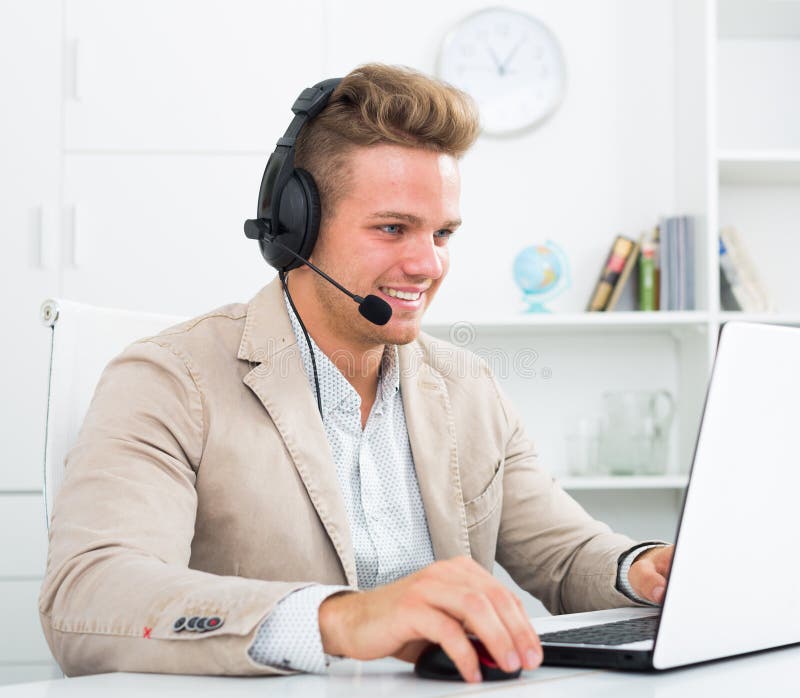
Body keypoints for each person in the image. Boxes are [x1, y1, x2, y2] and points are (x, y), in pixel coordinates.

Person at [39, 63, 674, 684]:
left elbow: (563, 554)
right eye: (393, 228)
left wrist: (640, 567)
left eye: (443, 233)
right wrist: (340, 619)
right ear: (296, 229)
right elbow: (89, 596)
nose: (427, 265)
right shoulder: (171, 379)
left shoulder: (468, 386)